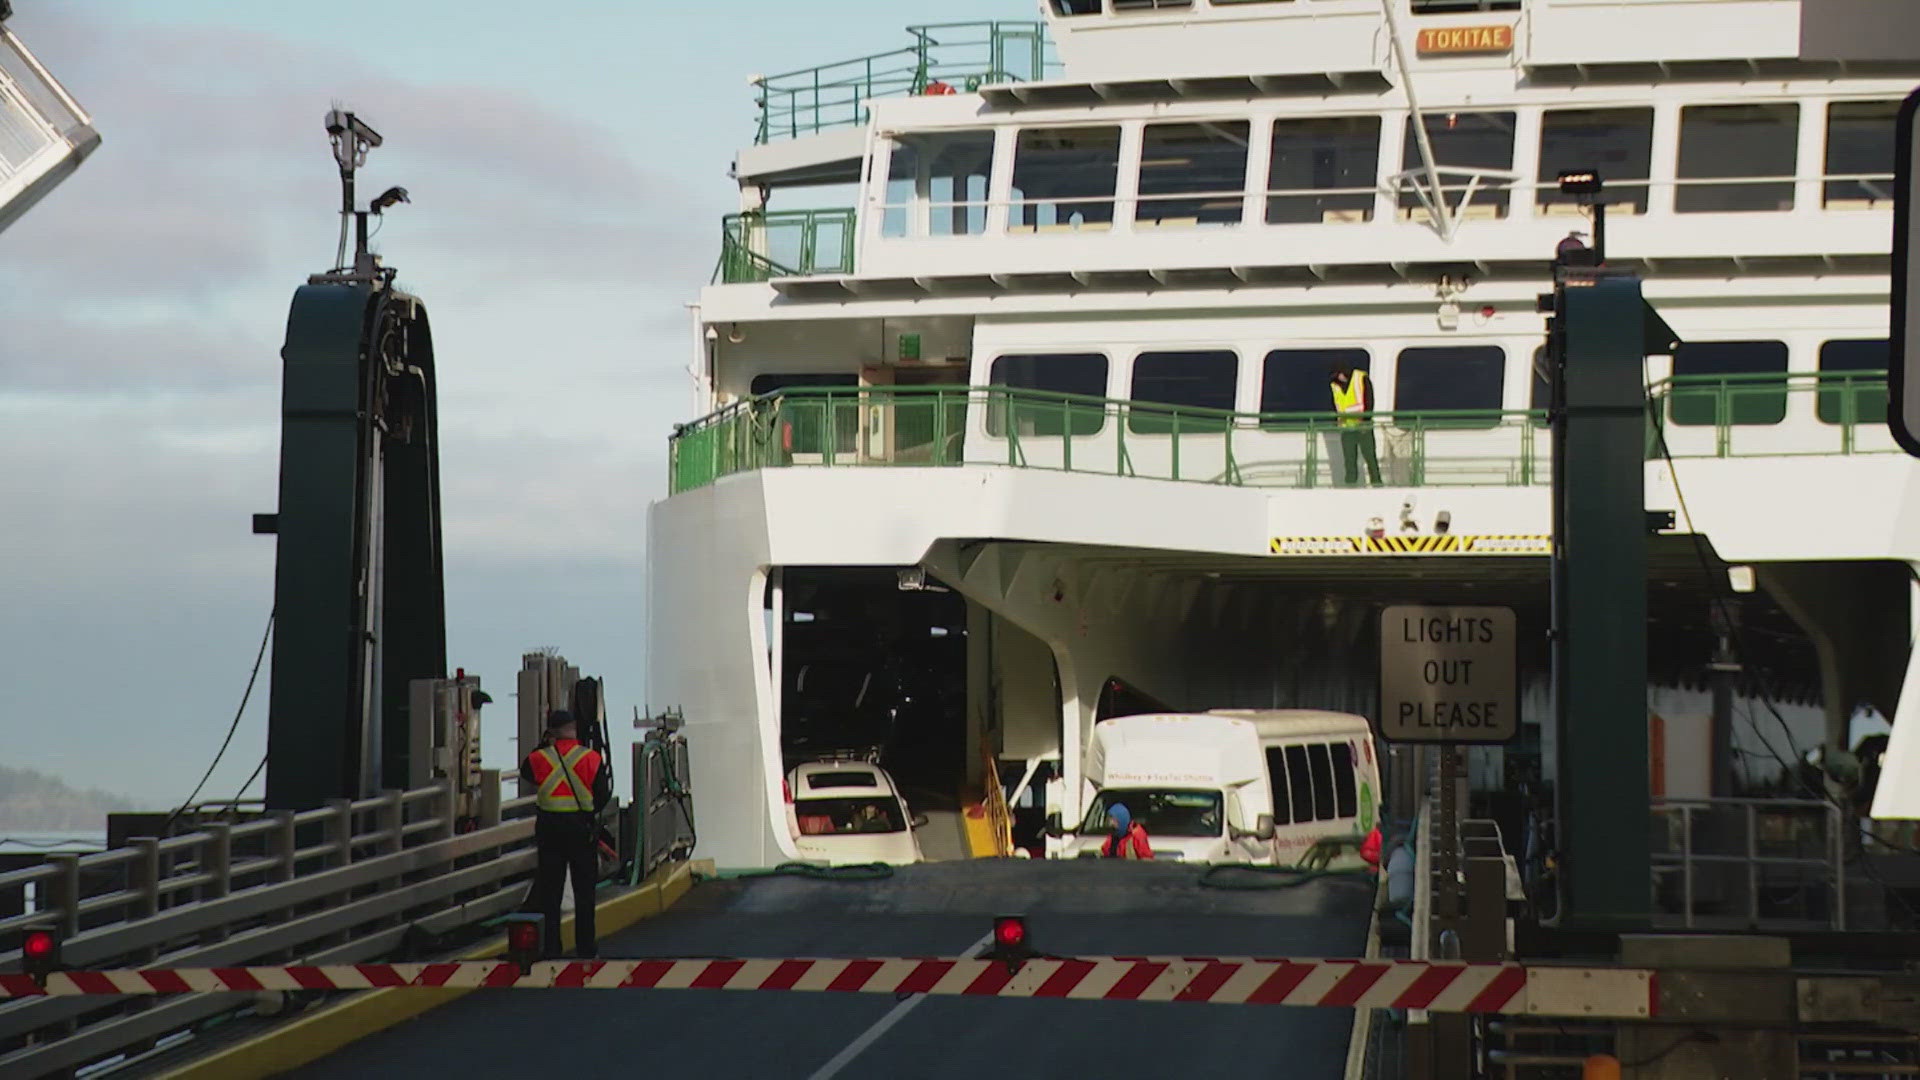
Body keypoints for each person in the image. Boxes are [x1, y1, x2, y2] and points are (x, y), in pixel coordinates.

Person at [519, 709, 612, 959]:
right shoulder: (591, 758)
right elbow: (603, 794)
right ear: (574, 728)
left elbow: (525, 771)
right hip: (581, 830)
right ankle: (586, 947)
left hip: (550, 831)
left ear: (551, 731)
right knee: (584, 892)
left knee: (551, 893)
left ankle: (552, 948)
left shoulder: (540, 758)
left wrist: (544, 742)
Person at [1330, 362, 1382, 487]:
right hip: (1347, 427)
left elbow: (1368, 400)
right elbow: (1337, 405)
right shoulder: (1335, 385)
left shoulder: (1361, 378)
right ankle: (1351, 485)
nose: (1339, 378)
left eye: (1340, 375)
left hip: (1363, 426)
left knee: (1370, 457)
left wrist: (1365, 419)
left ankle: (1376, 483)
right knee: (1349, 460)